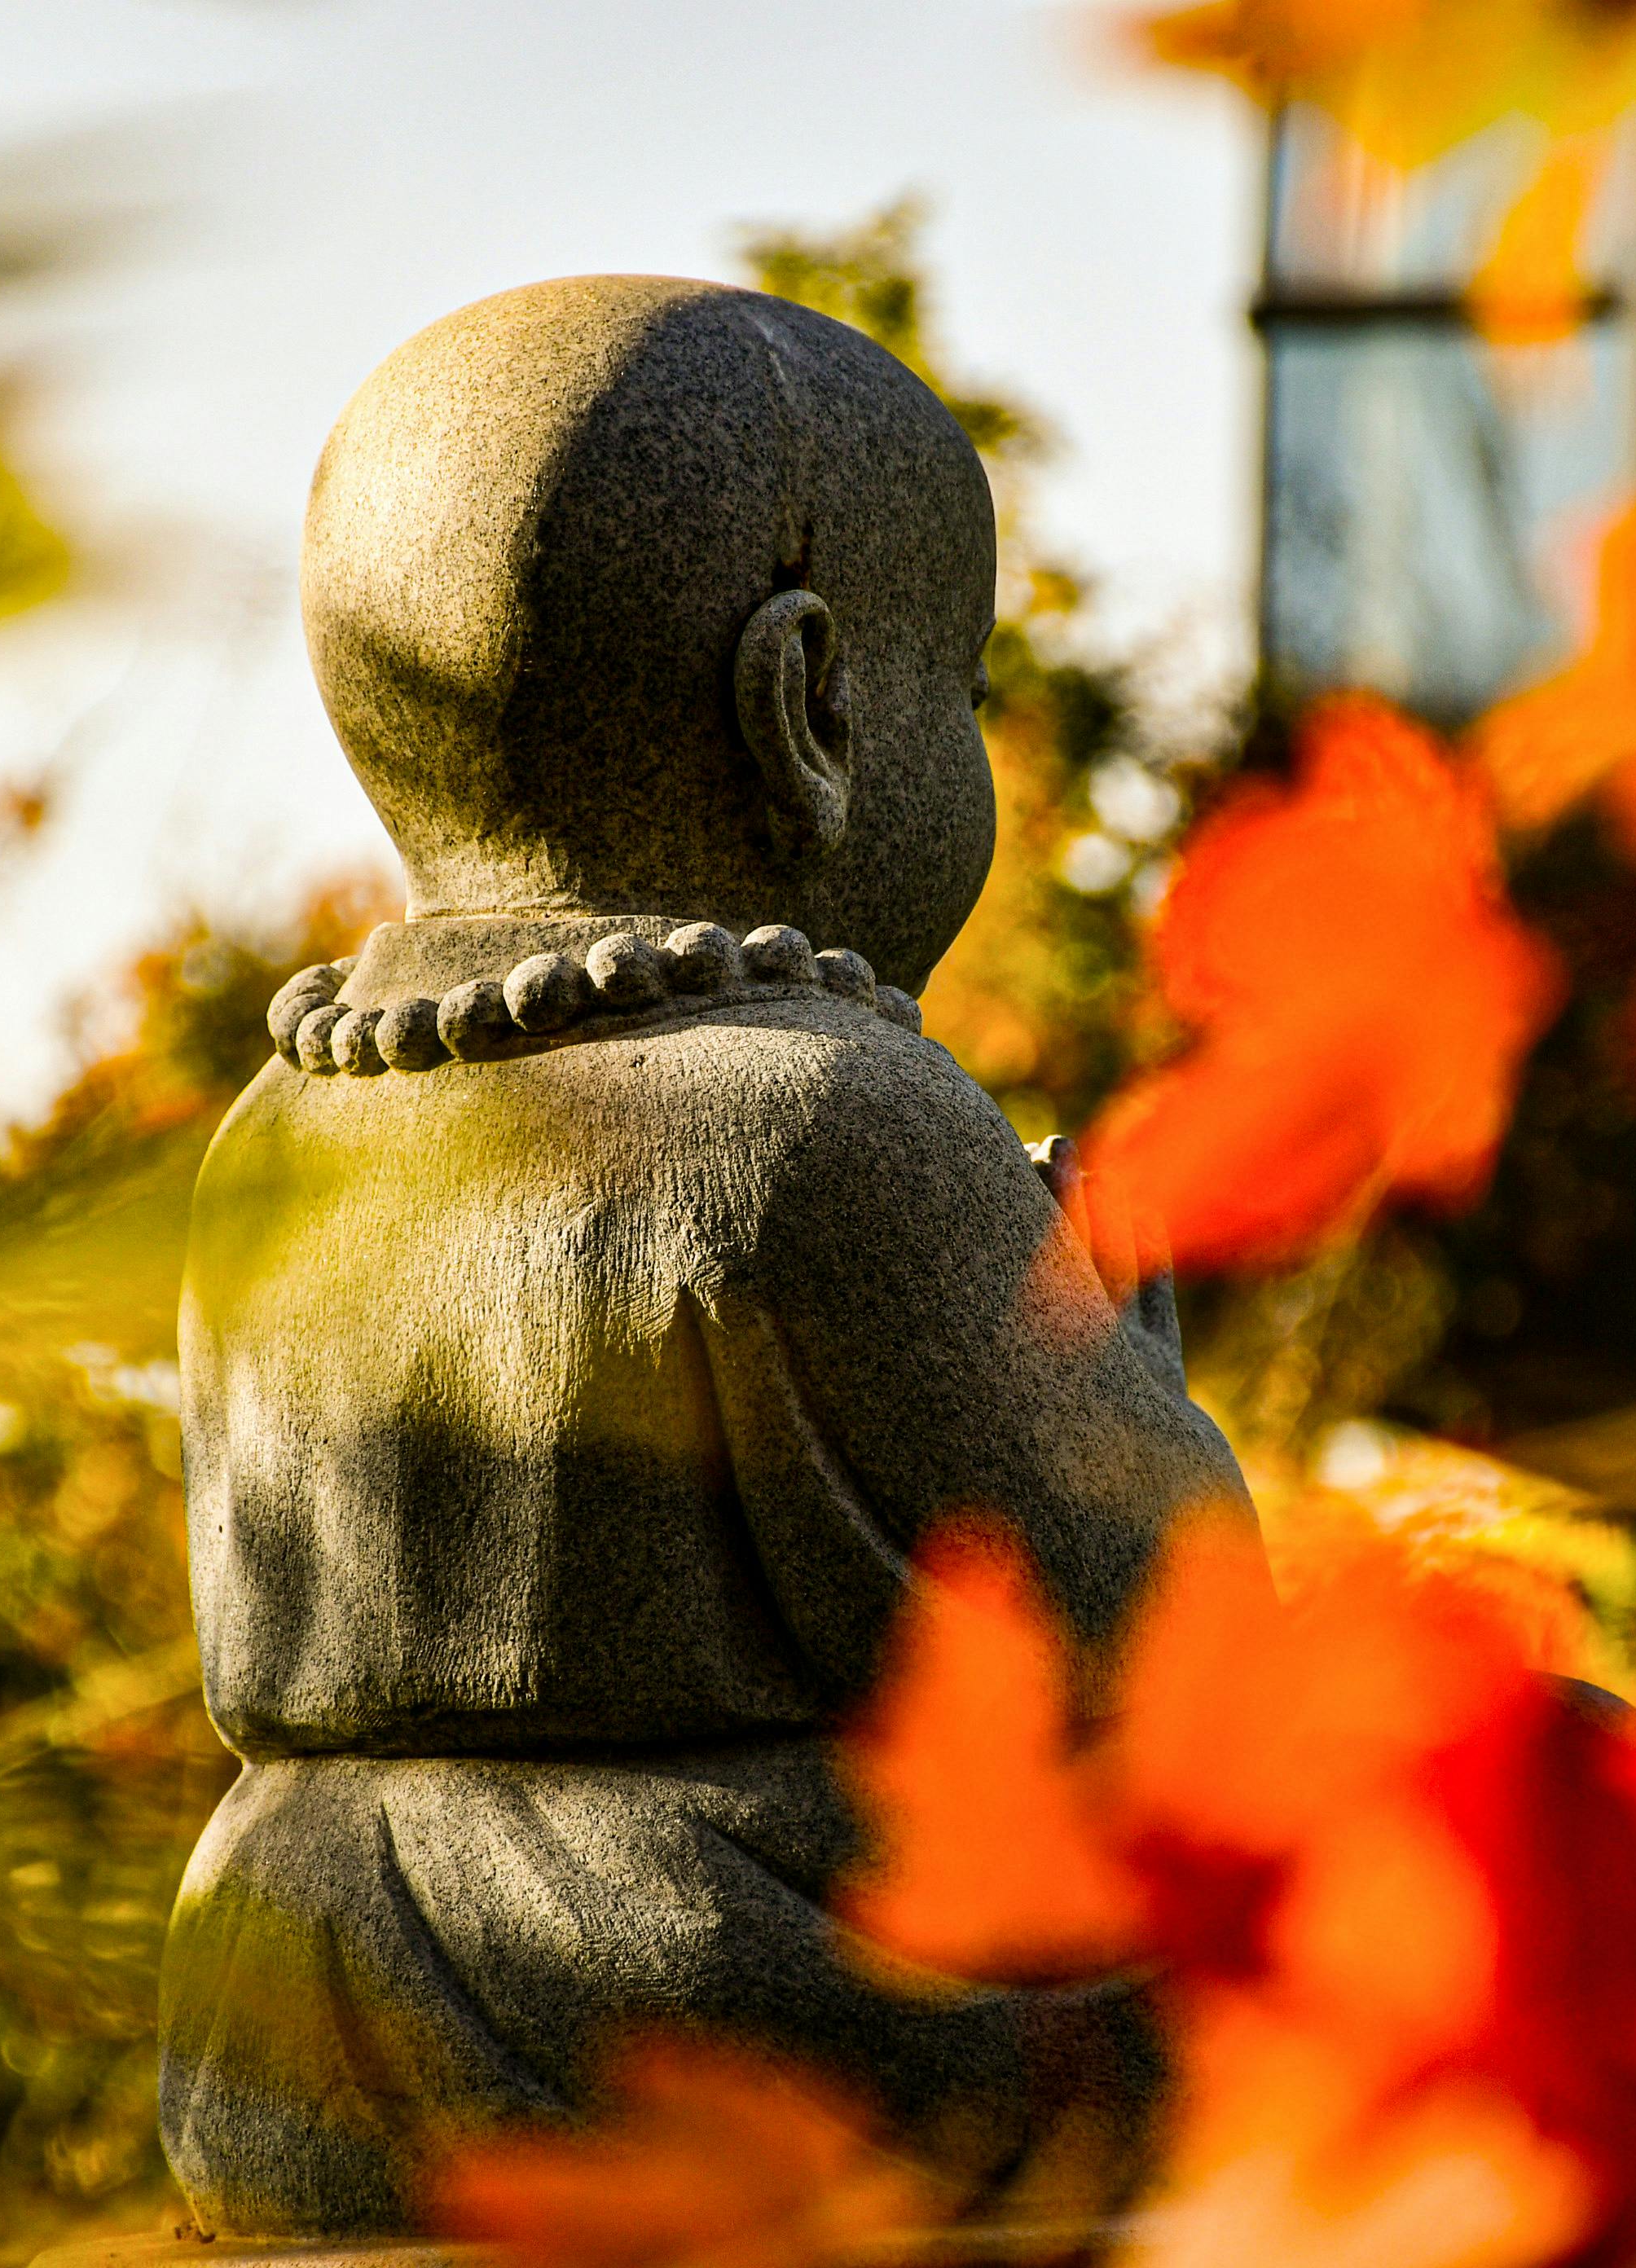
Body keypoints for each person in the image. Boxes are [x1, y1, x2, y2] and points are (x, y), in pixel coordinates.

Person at [163, 273, 1250, 2237]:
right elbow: (1154, 1637)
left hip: (301, 2019)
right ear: (806, 705)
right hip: (721, 2003)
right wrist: (1121, 1368)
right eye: (963, 695)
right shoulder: (825, 1118)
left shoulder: (274, 1143)